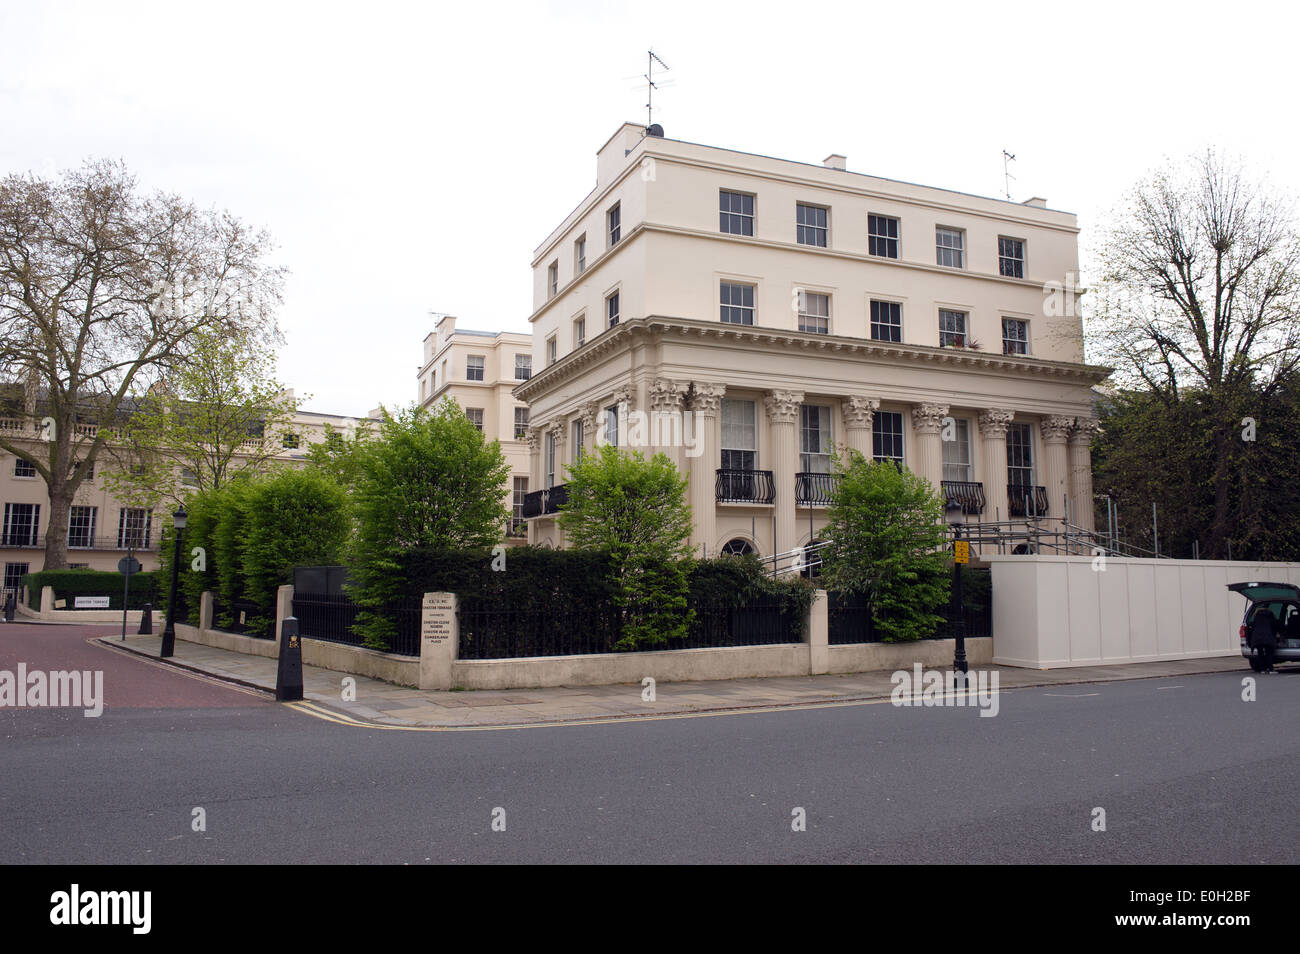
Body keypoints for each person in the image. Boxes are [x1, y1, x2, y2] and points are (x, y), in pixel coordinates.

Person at [1251, 605, 1279, 673]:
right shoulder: (1270, 614)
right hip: (1267, 636)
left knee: (1260, 653)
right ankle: (1271, 669)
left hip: (1257, 637)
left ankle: (1262, 669)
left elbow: (1253, 625)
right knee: (1269, 652)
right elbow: (1274, 625)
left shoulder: (1256, 615)